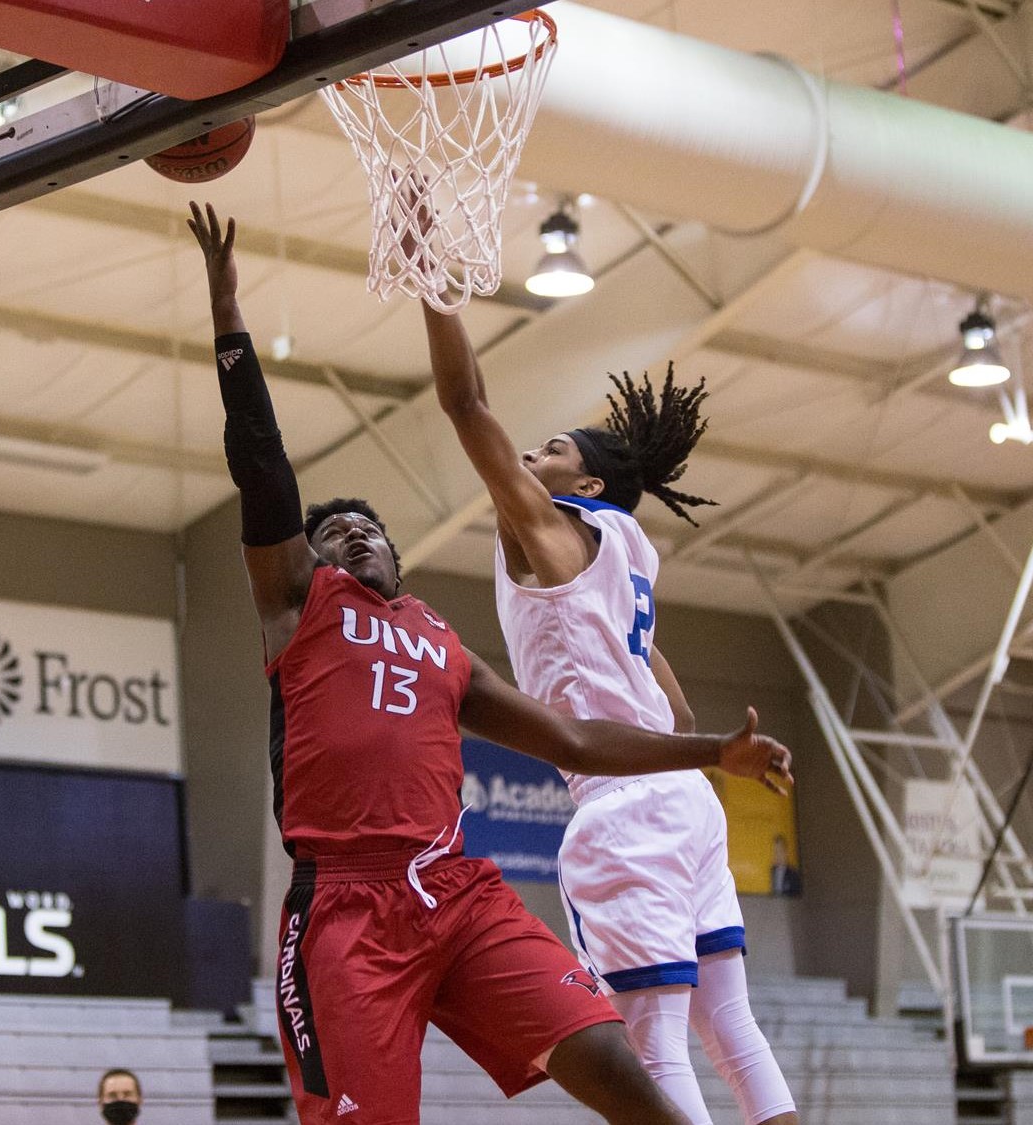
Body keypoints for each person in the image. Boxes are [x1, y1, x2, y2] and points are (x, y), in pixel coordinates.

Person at [187, 202, 794, 1125]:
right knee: (716, 1027)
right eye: (332, 531)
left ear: (400, 560)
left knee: (625, 1056)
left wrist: (714, 749)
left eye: (370, 527)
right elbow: (263, 467)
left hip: (457, 885)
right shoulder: (298, 604)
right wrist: (230, 317)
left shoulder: (444, 634)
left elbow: (574, 737)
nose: (353, 534)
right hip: (347, 907)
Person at [420, 294, 797, 1125]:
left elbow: (464, 403)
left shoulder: (554, 534)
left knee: (655, 1045)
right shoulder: (629, 553)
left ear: (587, 484)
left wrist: (435, 288)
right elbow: (672, 698)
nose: (527, 454)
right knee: (732, 1024)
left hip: (623, 803)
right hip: (688, 804)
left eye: (552, 450)